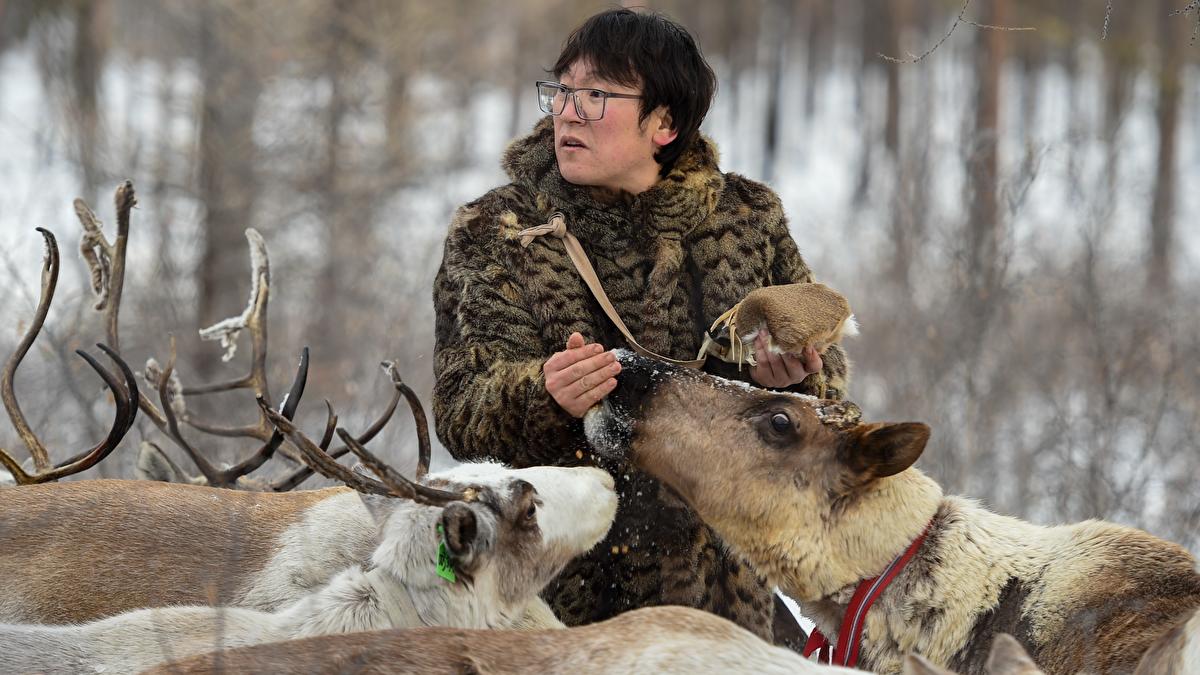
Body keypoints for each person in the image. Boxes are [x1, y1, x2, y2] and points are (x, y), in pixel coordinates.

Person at [432, 8, 849, 645]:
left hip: (727, 610)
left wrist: (793, 381)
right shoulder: (499, 232)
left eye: (597, 95)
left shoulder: (748, 221)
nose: (568, 112)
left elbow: (832, 403)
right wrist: (543, 396)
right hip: (559, 613)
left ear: (665, 123)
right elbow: (461, 412)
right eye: (563, 90)